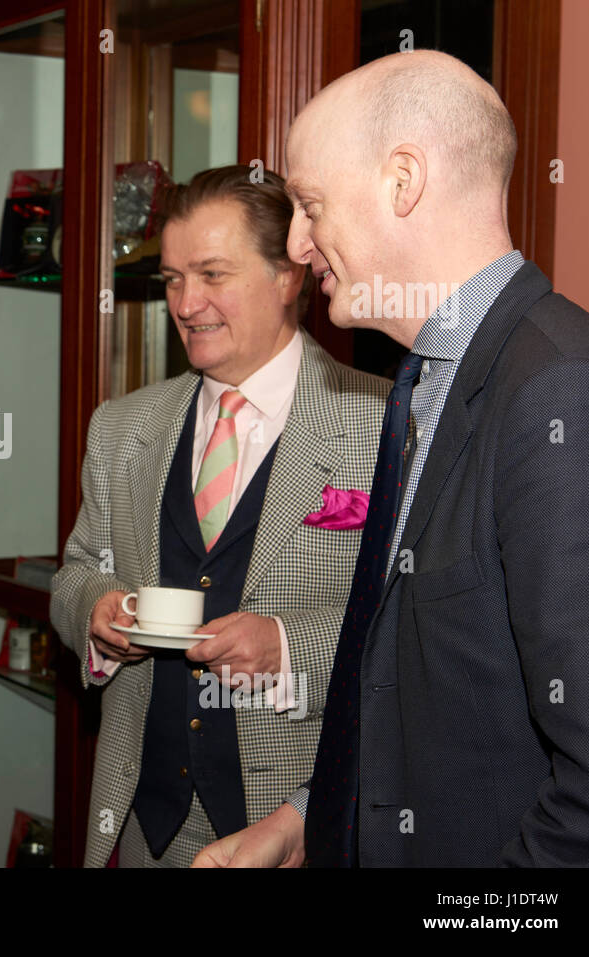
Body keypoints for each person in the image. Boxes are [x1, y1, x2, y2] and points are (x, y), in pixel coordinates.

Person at [194, 51, 589, 868]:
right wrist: (308, 818)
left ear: (403, 180)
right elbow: (410, 681)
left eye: (310, 204)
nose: (301, 244)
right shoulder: (421, 383)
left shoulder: (563, 388)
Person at [50, 165, 389, 867]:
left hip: (299, 826)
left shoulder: (382, 423)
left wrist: (290, 646)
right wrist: (94, 611)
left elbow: (413, 617)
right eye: (172, 278)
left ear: (287, 276)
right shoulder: (122, 427)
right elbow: (77, 568)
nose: (186, 301)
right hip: (148, 825)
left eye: (211, 273)